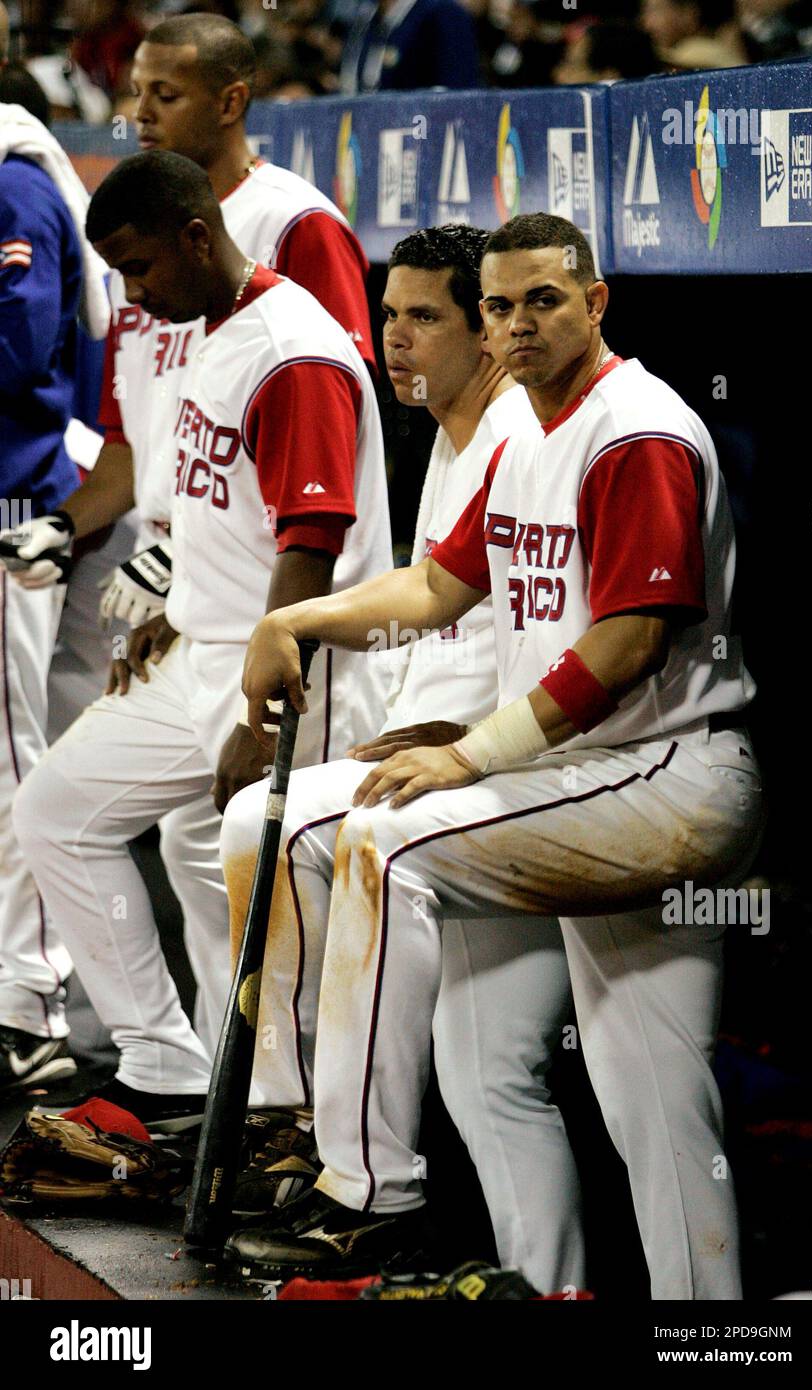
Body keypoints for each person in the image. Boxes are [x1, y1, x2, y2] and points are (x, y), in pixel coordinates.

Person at [224, 212, 763, 1299]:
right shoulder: (533, 428)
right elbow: (435, 586)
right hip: (600, 779)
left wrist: (472, 754)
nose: (517, 324)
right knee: (644, 1097)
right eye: (501, 306)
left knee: (381, 839)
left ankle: (362, 1188)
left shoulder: (634, 431)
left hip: (665, 771)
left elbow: (628, 642)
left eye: (544, 301)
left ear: (595, 303)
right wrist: (299, 621)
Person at [2, 12, 380, 1063]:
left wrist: (255, 665)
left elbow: (319, 468)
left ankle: (296, 1124)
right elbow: (143, 451)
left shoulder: (289, 249)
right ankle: (181, 1071)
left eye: (163, 94)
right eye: (134, 94)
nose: (138, 115)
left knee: (276, 890)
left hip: (291, 633)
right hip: (198, 612)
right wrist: (95, 541)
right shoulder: (186, 303)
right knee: (86, 818)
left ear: (229, 97)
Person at [221, 223, 585, 1293]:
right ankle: (306, 1133)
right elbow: (432, 608)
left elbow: (584, 631)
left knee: (283, 829)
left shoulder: (526, 432)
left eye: (424, 317)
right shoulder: (445, 435)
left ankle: (351, 1172)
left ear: (488, 331)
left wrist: (469, 740)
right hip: (463, 781)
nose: (395, 339)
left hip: (531, 780)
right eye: (388, 314)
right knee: (494, 1084)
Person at [0, 0, 112, 1094]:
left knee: (18, 759)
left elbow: (23, 349)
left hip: (16, 493)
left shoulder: (11, 175)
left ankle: (28, 1007)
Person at [340, 0, 481, 93]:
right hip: (362, 131)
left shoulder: (443, 14)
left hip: (415, 131)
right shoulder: (362, 21)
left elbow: (459, 96)